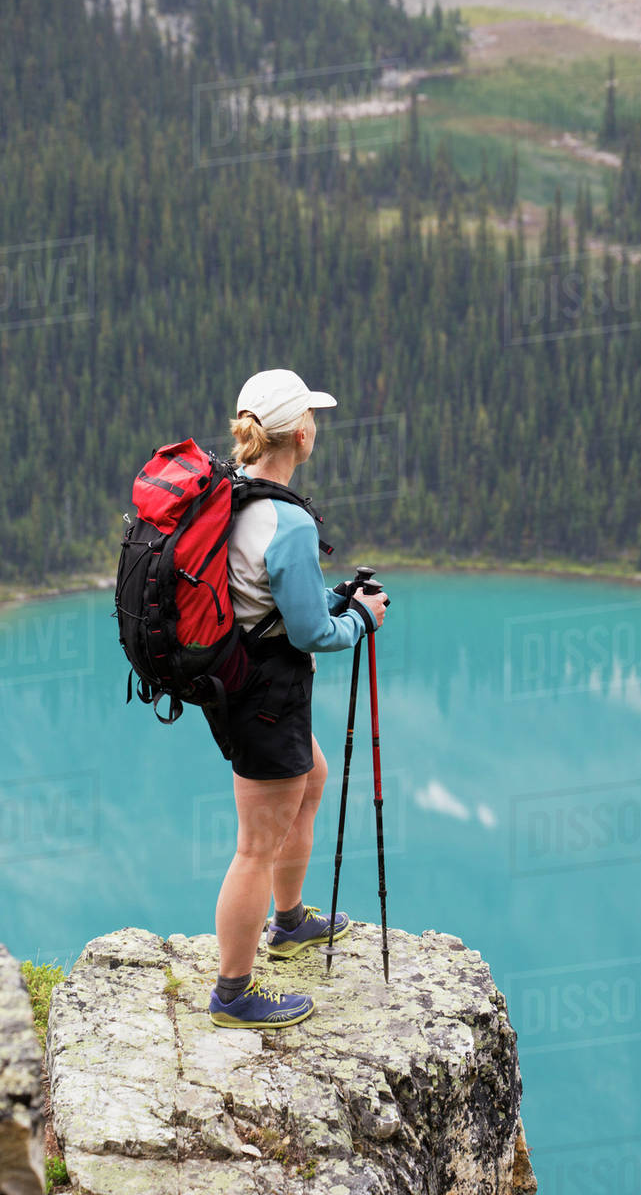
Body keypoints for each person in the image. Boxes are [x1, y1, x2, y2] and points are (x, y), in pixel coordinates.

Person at [206, 369, 388, 1030]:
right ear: (302, 433)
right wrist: (361, 619)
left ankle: (289, 921)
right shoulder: (284, 519)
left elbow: (270, 598)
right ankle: (232, 992)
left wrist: (333, 598)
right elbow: (310, 631)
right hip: (266, 693)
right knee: (255, 843)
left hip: (240, 681)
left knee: (310, 778)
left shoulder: (230, 498)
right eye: (314, 416)